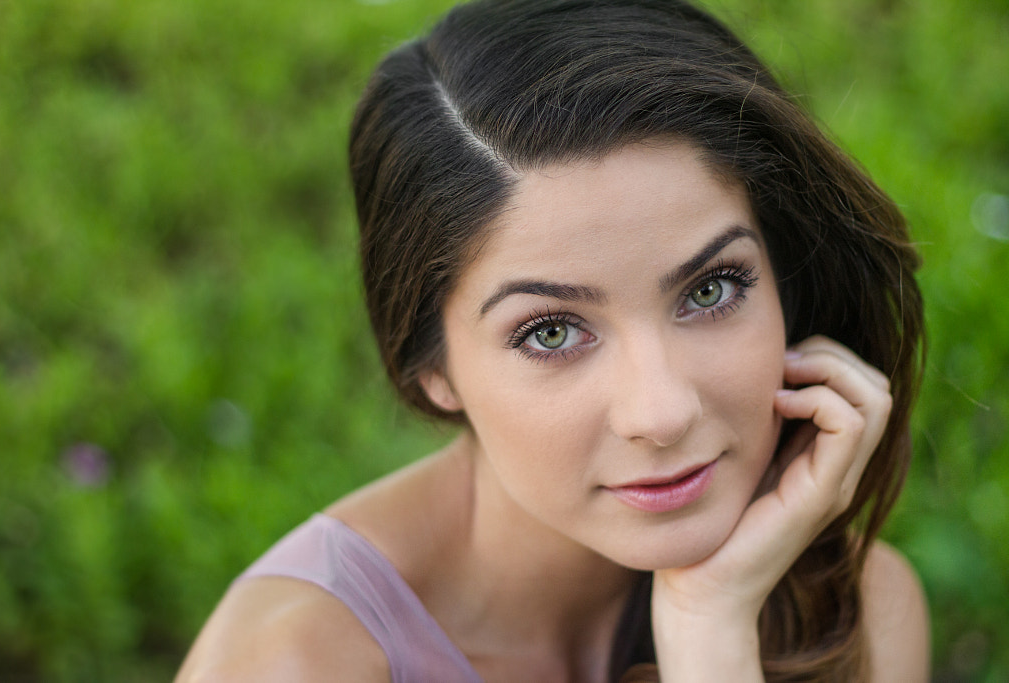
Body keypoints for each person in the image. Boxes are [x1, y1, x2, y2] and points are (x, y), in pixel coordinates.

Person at [175, 0, 930, 680]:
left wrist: (709, 626)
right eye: (553, 331)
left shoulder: (851, 618)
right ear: (431, 365)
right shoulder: (296, 664)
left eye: (710, 289)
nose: (660, 411)